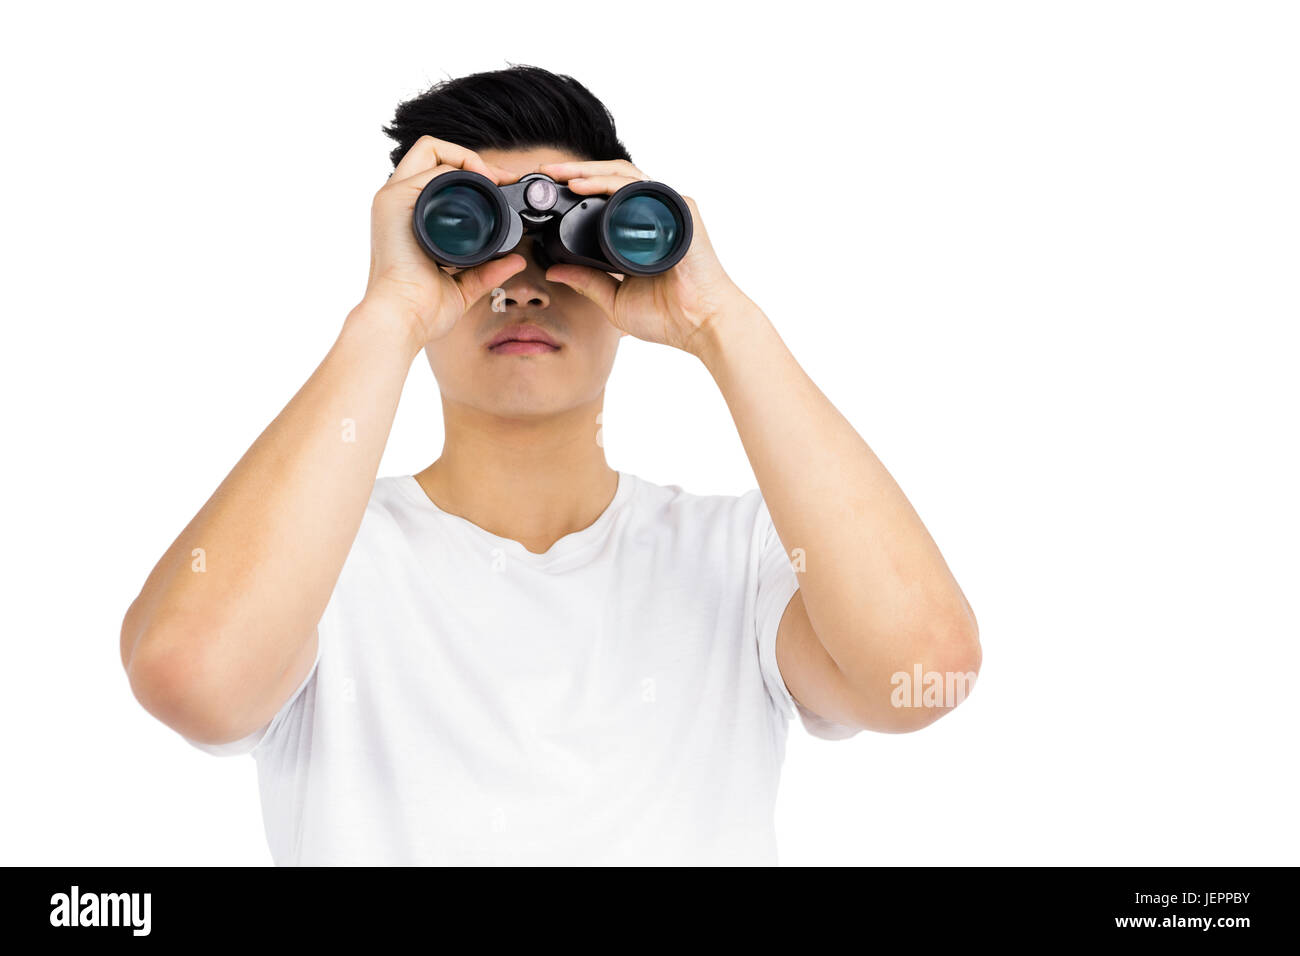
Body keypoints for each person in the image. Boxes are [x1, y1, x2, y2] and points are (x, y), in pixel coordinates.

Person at [120, 65, 981, 865]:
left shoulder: (744, 556)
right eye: (469, 234)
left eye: (572, 247)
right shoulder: (320, 561)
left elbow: (923, 673)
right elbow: (192, 677)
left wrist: (720, 320)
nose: (523, 286)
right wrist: (390, 310)